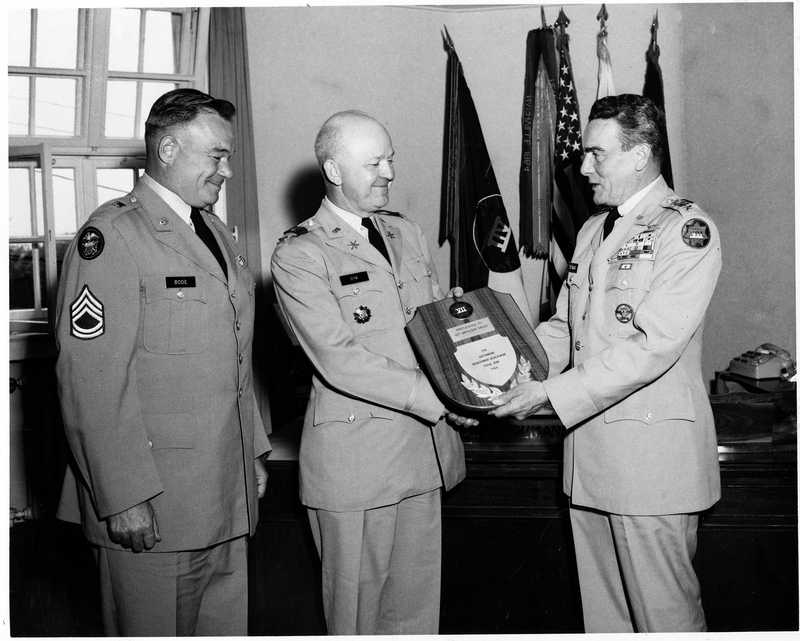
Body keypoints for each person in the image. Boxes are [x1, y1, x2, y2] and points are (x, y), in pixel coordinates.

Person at [490, 94, 722, 633]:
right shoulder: (595, 230)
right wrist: (501, 366)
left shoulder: (685, 230)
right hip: (590, 463)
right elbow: (565, 330)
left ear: (640, 155)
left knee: (664, 620)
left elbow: (652, 344)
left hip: (650, 467)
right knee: (607, 623)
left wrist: (549, 394)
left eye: (597, 154)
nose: (583, 167)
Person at [55, 88, 271, 636]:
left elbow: (235, 357)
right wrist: (122, 497)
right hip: (154, 505)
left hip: (224, 492)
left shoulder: (217, 233)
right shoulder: (111, 238)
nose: (225, 170)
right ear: (168, 149)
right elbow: (92, 381)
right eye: (216, 156)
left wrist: (255, 454)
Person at [271, 110, 475, 635]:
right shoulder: (300, 253)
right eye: (373, 163)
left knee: (414, 618)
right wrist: (440, 400)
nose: (387, 172)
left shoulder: (405, 231)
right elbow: (340, 359)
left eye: (390, 159)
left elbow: (428, 327)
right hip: (357, 464)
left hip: (424, 453)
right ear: (335, 170)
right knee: (359, 621)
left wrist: (465, 342)